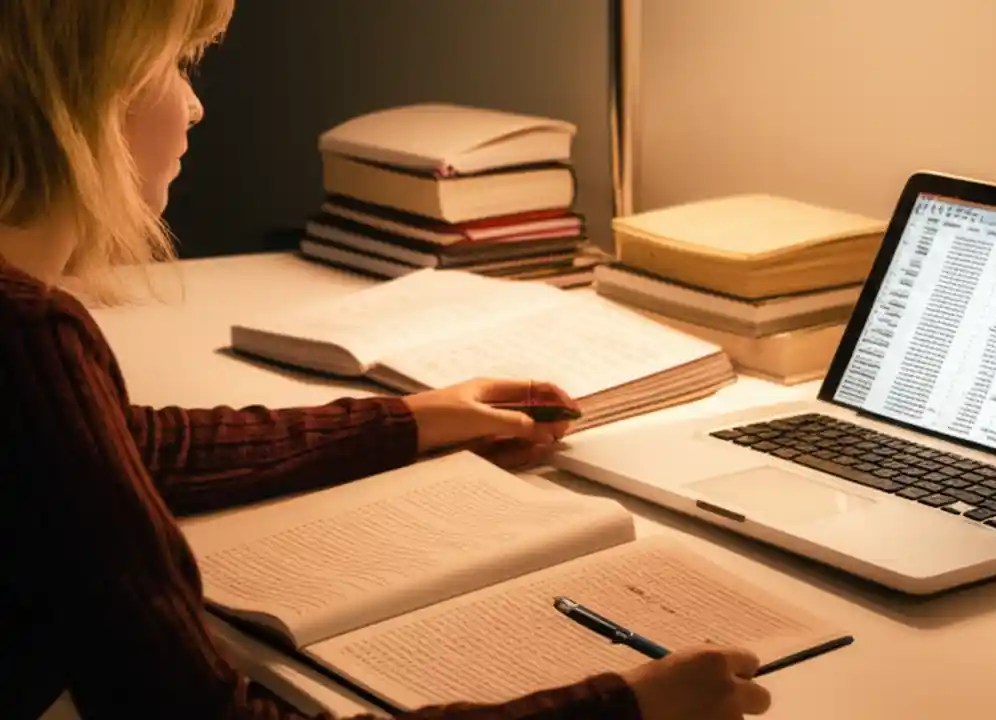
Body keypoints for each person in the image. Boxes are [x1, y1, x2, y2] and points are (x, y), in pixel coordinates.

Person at [0, 2, 773, 719]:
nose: (196, 105)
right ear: (90, 93)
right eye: (178, 63)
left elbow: (122, 449)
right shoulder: (31, 333)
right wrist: (622, 708)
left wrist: (407, 422)